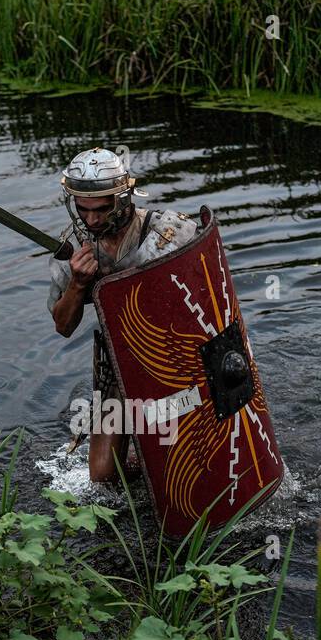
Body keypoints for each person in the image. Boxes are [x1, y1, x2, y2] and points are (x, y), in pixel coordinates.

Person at [47, 147, 198, 483]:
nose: (91, 220)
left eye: (101, 210)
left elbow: (202, 299)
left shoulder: (167, 234)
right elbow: (63, 327)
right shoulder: (72, 250)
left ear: (124, 198)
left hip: (176, 360)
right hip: (119, 364)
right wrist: (78, 284)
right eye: (83, 210)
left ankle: (151, 453)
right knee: (102, 476)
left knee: (182, 464)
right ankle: (137, 455)